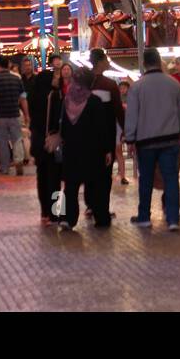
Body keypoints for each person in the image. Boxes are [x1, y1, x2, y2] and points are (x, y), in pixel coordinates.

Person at [125, 48, 180, 230]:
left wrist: (130, 139)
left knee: (145, 179)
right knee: (171, 178)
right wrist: (177, 131)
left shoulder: (137, 87)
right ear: (159, 61)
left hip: (145, 141)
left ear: (144, 64)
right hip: (170, 139)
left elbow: (132, 115)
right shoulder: (174, 85)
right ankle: (172, 219)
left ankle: (145, 216)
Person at [57, 68, 115, 230]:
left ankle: (66, 219)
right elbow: (101, 128)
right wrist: (107, 149)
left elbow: (63, 126)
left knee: (70, 187)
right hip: (93, 151)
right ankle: (101, 218)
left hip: (71, 150)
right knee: (96, 185)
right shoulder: (94, 101)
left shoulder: (67, 100)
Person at [88, 48, 124, 211]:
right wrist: (125, 131)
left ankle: (90, 205)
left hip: (86, 134)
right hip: (107, 134)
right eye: (107, 60)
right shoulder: (109, 85)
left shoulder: (83, 82)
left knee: (90, 170)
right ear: (101, 62)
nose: (109, 63)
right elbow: (118, 111)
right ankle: (102, 208)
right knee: (105, 172)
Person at [29, 55, 63, 224]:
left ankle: (44, 213)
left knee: (41, 177)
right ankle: (56, 212)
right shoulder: (53, 97)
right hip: (52, 142)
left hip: (38, 141)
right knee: (55, 178)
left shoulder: (34, 98)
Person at [0, 55, 28, 175]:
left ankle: (5, 167)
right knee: (17, 139)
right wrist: (26, 114)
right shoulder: (17, 78)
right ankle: (19, 160)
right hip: (15, 113)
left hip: (0, 115)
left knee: (2, 141)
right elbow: (23, 98)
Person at [117, 79, 133, 183]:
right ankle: (121, 173)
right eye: (121, 88)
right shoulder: (117, 98)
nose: (122, 90)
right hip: (120, 125)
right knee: (118, 151)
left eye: (124, 88)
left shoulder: (131, 98)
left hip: (129, 124)